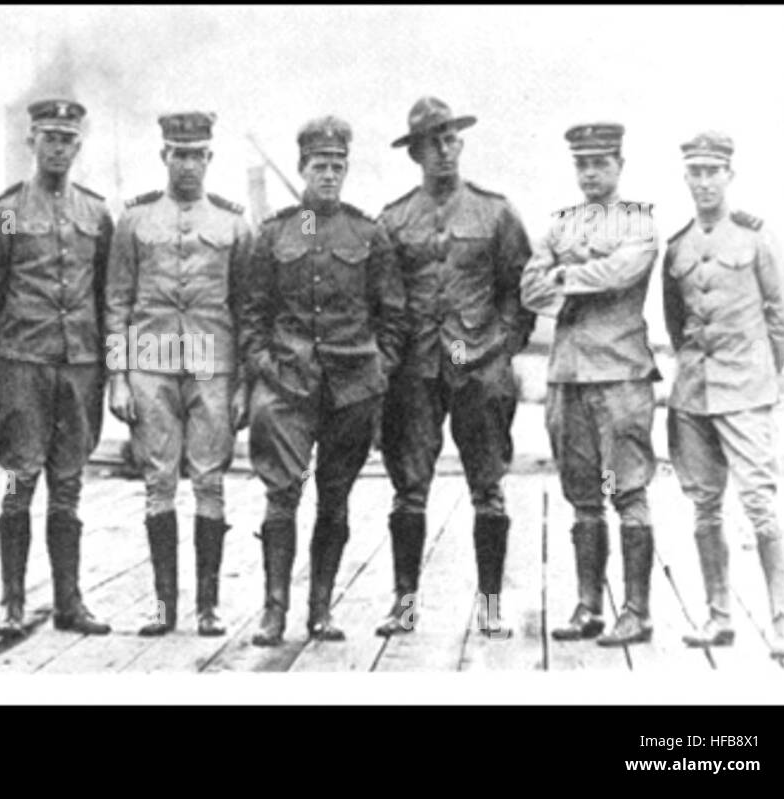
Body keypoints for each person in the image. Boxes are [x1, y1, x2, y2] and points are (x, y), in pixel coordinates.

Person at [242, 116, 406, 646]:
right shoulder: (275, 234)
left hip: (352, 388)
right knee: (281, 496)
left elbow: (393, 315)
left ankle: (320, 610)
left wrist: (378, 368)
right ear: (302, 168)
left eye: (338, 166)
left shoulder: (368, 234)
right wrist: (266, 366)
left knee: (335, 501)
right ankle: (273, 612)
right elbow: (252, 314)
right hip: (287, 386)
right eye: (320, 166)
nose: (329, 175)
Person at [377, 97, 535, 638]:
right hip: (416, 371)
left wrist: (502, 348)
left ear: (461, 144)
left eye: (451, 140)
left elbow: (520, 292)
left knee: (488, 489)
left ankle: (491, 606)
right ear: (416, 153)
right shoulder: (394, 220)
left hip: (480, 369)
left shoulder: (496, 212)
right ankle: (404, 604)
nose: (444, 151)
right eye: (432, 143)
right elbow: (385, 301)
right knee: (409, 490)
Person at [104, 111, 254, 636]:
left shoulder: (234, 224)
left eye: (197, 154)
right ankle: (164, 607)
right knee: (158, 482)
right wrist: (118, 377)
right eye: (178, 153)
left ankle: (208, 607)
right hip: (151, 366)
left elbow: (247, 309)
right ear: (163, 155)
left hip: (213, 366)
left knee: (210, 482)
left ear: (210, 158)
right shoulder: (135, 221)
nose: (187, 164)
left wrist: (244, 385)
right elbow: (117, 302)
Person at [0, 98, 114, 637]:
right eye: (48, 137)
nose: (58, 148)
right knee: (18, 479)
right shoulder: (6, 210)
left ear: (79, 146)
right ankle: (11, 604)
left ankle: (69, 602)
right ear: (31, 142)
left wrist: (112, 368)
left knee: (69, 482)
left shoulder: (97, 214)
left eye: (68, 139)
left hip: (79, 364)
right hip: (20, 365)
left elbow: (109, 300)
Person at [521, 122, 661, 646]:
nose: (590, 173)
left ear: (620, 166)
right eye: (582, 164)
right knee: (582, 494)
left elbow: (620, 274)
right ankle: (589, 606)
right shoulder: (560, 225)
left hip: (621, 374)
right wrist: (568, 275)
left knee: (626, 489)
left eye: (600, 162)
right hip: (568, 377)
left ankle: (638, 611)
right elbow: (530, 289)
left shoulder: (638, 222)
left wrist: (566, 275)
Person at [662, 132, 784, 658]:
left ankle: (783, 621)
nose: (703, 182)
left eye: (711, 171)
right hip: (694, 394)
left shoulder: (756, 238)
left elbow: (783, 316)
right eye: (694, 172)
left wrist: (760, 374)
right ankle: (718, 615)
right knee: (704, 507)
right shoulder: (677, 246)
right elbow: (676, 323)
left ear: (729, 176)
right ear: (686, 179)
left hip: (746, 390)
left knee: (761, 507)